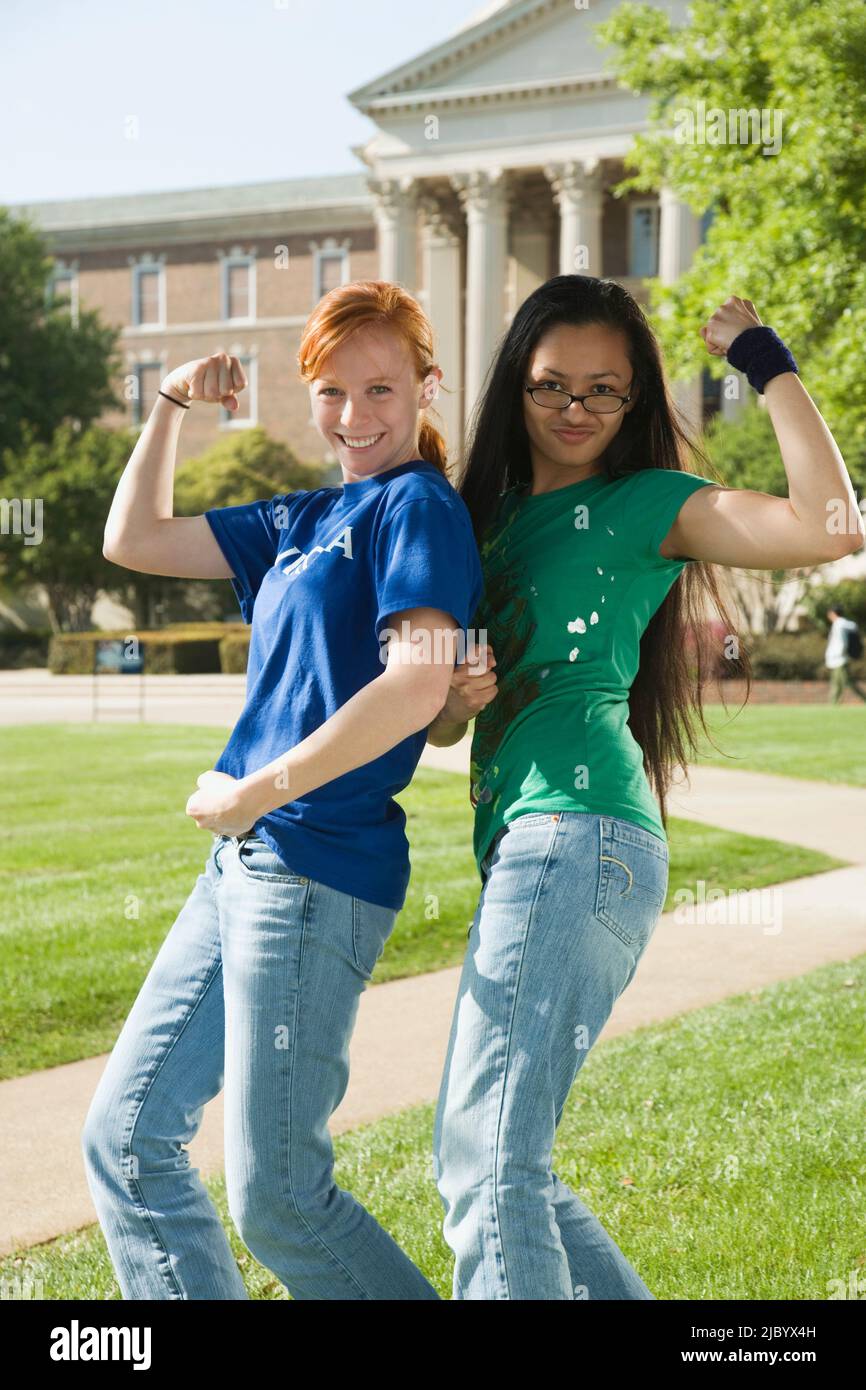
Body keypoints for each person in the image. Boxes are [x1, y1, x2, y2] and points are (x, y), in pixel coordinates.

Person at [427, 276, 864, 1300]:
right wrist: (454, 697)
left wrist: (765, 361)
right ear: (514, 386)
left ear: (630, 404)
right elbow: (446, 725)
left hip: (577, 840)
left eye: (602, 391)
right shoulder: (474, 517)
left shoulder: (645, 506)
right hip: (527, 843)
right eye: (550, 387)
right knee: (487, 1158)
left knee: (490, 1162)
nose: (573, 410)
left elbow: (832, 524)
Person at [82, 280, 482, 1300]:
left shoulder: (417, 506)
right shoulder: (298, 518)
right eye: (332, 392)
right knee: (126, 1140)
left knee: (281, 1201)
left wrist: (256, 789)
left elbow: (419, 682)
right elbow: (133, 539)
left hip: (315, 867)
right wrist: (169, 402)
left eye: (381, 389)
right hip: (242, 864)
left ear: (427, 388)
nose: (355, 416)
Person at [824, 604, 866, 703]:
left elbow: (841, 641)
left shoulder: (838, 625)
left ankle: (864, 699)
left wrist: (837, 654)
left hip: (840, 659)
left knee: (847, 682)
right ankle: (834, 702)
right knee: (836, 682)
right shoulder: (848, 624)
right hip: (842, 658)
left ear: (833, 614)